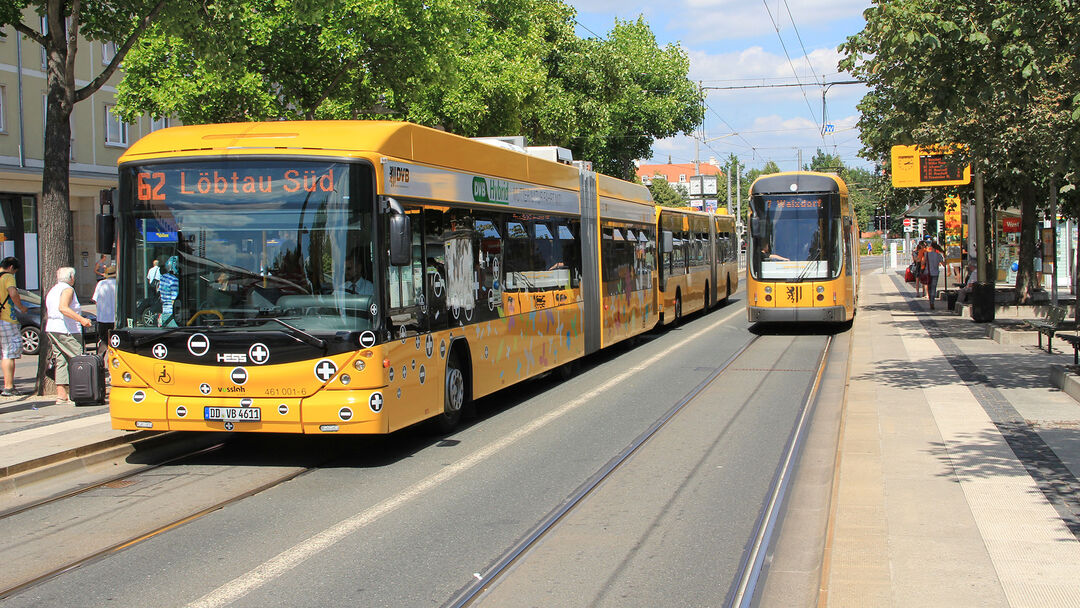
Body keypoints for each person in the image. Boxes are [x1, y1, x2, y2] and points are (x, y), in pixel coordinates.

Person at [46, 267, 93, 405]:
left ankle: (61, 395)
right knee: (78, 359)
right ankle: (78, 393)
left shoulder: (53, 289)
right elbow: (63, 307)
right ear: (71, 277)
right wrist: (82, 319)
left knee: (61, 359)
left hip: (52, 327)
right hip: (66, 329)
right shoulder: (68, 289)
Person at [0, 257, 28, 397]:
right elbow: (13, 293)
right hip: (6, 319)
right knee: (8, 353)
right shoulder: (8, 277)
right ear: (11, 267)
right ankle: (9, 386)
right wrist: (21, 307)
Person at [92, 264, 116, 353]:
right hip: (116, 319)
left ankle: (100, 360)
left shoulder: (101, 284)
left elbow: (95, 299)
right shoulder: (119, 284)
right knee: (116, 341)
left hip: (103, 318)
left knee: (103, 341)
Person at [158, 256, 180, 326]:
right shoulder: (174, 280)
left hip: (164, 311)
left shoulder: (162, 278)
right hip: (171, 313)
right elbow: (174, 299)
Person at [924, 241, 946, 309]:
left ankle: (930, 300)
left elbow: (923, 262)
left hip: (928, 272)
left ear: (931, 247)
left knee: (929, 287)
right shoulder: (938, 255)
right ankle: (932, 302)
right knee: (933, 287)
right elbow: (944, 264)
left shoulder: (926, 254)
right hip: (935, 273)